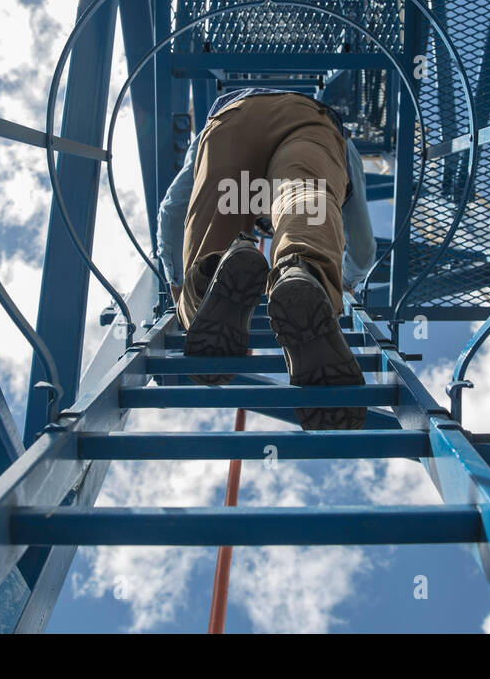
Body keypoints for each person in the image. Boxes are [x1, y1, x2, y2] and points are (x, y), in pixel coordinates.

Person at [156, 87, 376, 430]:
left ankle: (206, 285)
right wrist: (344, 281)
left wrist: (177, 282)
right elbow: (362, 247)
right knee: (304, 201)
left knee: (217, 221)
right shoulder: (343, 145)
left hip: (233, 118)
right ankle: (303, 273)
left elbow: (172, 212)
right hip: (313, 125)